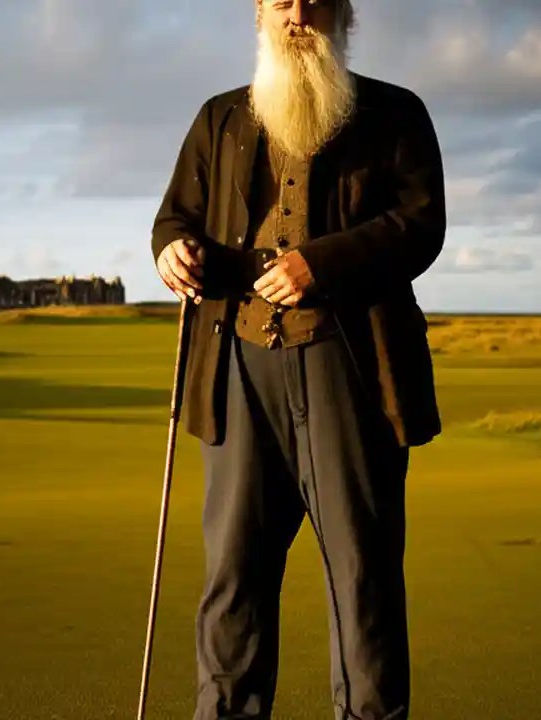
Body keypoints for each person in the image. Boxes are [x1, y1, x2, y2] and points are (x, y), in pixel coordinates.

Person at [150, 0, 445, 717]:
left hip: (353, 369)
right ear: (258, 15)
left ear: (344, 14)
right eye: (281, 1)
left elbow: (421, 226)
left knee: (362, 574)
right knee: (234, 578)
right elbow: (176, 217)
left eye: (315, 0)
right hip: (236, 370)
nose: (299, 14)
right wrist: (170, 251)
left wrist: (322, 264)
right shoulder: (218, 118)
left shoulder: (396, 113)